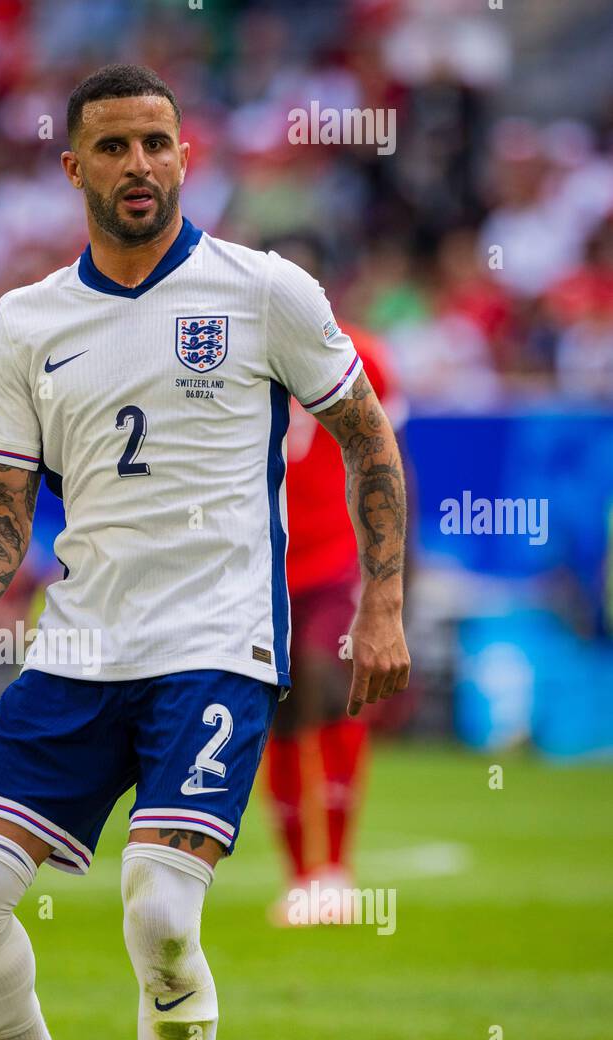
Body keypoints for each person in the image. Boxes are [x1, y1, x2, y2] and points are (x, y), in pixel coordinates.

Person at [0, 64, 410, 1040]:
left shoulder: (263, 291)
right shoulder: (25, 324)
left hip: (216, 650)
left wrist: (380, 604)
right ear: (71, 166)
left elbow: (364, 436)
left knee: (159, 910)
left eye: (159, 145)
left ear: (187, 158)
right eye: (114, 148)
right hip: (77, 651)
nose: (140, 166)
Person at [262, 235, 408, 925]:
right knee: (282, 709)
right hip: (259, 562)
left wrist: (394, 565)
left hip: (335, 558)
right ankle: (299, 877)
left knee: (330, 686)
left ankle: (337, 868)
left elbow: (386, 458)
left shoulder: (363, 354)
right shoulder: (238, 354)